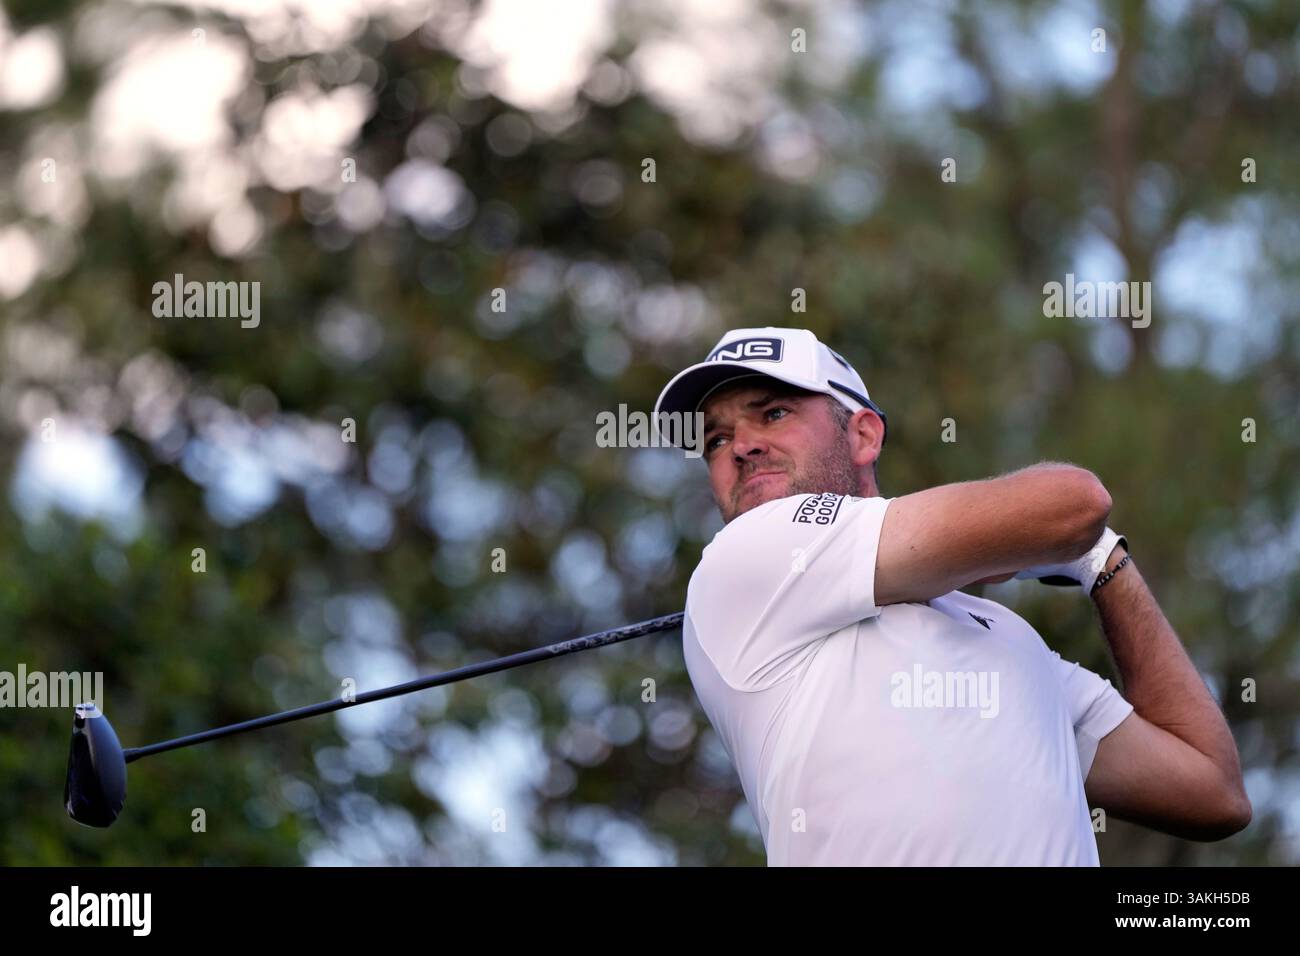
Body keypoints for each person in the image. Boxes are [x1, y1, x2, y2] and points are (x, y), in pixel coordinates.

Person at [653, 326, 1251, 865]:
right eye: (716, 439)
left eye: (774, 413)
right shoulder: (743, 558)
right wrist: (1025, 537)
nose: (740, 446)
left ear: (862, 433)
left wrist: (1105, 564)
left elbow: (1212, 792)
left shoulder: (1010, 639)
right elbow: (1075, 502)